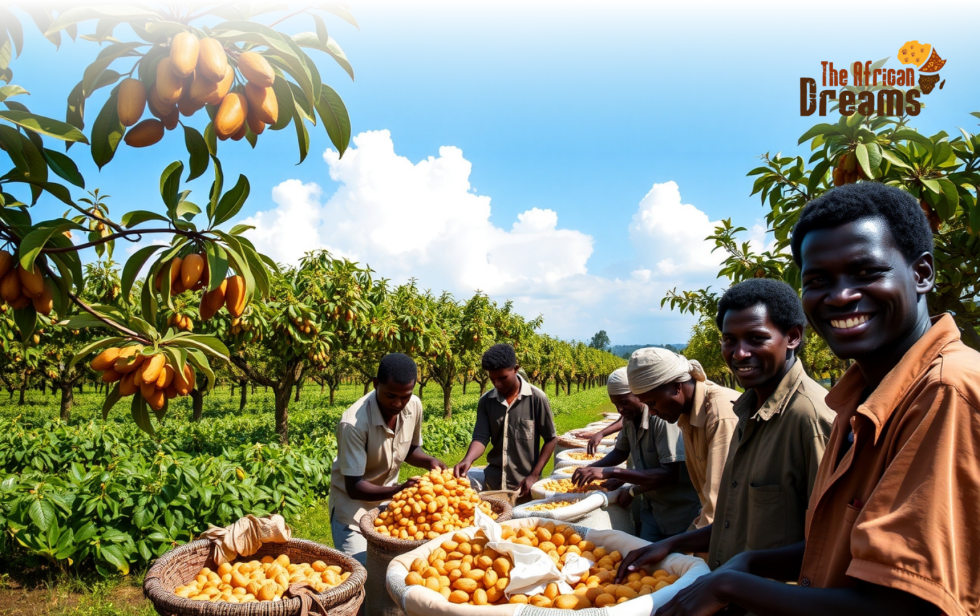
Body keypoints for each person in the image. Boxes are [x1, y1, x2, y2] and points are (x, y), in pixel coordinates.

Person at [653, 182, 980, 616]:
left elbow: (908, 603)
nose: (841, 296)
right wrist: (751, 562)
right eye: (819, 280)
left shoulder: (945, 392)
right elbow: (836, 543)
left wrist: (732, 585)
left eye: (867, 272)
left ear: (921, 274)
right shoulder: (859, 399)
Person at [617, 278, 835, 579]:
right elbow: (732, 521)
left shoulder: (809, 418)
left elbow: (830, 543)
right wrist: (672, 544)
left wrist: (726, 577)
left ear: (793, 337)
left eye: (756, 338)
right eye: (729, 340)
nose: (739, 353)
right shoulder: (749, 411)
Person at [328, 353, 447, 565]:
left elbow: (410, 450)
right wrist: (398, 490)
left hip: (386, 505)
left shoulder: (414, 405)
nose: (398, 403)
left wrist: (430, 461)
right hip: (352, 510)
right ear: (375, 384)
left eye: (405, 396)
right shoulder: (354, 423)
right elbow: (354, 487)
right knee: (362, 571)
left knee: (390, 569)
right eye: (391, 396)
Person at [572, 368, 701, 541]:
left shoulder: (662, 420)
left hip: (678, 510)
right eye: (615, 404)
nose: (620, 409)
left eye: (624, 402)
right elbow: (620, 452)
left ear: (638, 394)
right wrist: (590, 469)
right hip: (652, 508)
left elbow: (670, 474)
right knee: (646, 557)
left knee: (676, 562)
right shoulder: (629, 419)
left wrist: (614, 474)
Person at [627, 347, 739, 529]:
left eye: (652, 404)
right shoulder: (686, 417)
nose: (652, 413)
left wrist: (679, 546)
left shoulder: (720, 415)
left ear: (676, 386)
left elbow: (720, 507)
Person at [453, 343, 558, 499]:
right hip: (494, 484)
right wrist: (467, 460)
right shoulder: (486, 402)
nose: (497, 384)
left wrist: (534, 475)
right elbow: (481, 438)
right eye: (492, 379)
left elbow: (551, 439)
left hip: (524, 486)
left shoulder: (536, 398)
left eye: (502, 378)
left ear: (515, 369)